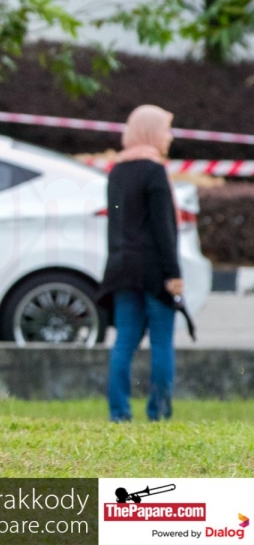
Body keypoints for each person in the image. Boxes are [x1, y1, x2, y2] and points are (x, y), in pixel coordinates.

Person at [98, 105, 183, 423]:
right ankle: (158, 413)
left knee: (124, 343)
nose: (169, 137)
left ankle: (119, 413)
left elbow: (116, 224)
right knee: (161, 342)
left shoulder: (117, 171)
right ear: (151, 132)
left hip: (122, 268)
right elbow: (164, 229)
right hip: (154, 270)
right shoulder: (154, 171)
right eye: (166, 130)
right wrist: (173, 273)